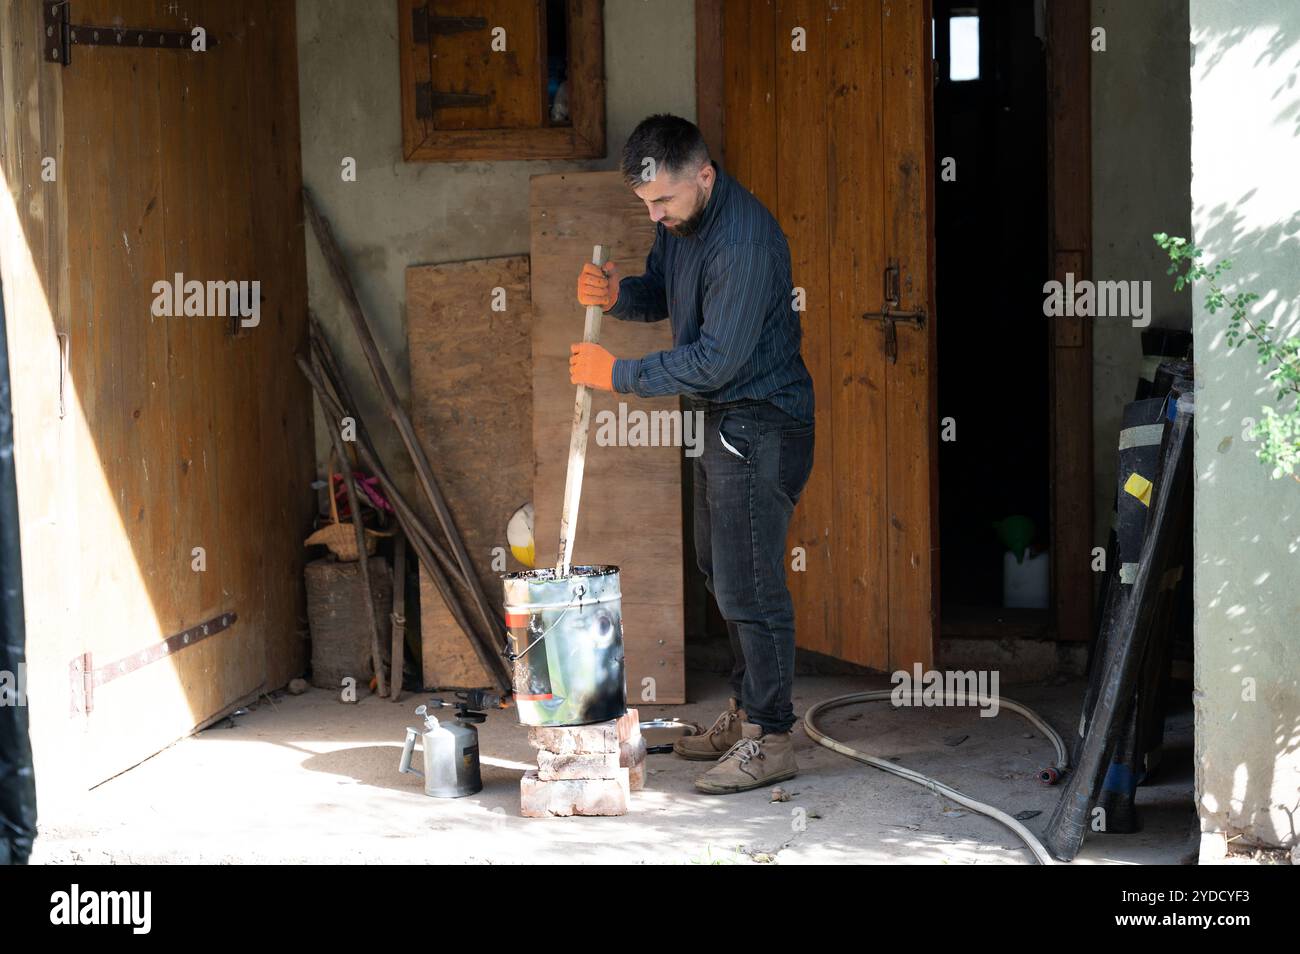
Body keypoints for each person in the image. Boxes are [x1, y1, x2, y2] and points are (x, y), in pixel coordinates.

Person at [568, 114, 816, 794]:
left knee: (752, 584)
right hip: (721, 423)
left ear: (703, 177)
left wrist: (615, 375)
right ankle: (745, 716)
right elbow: (662, 290)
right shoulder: (678, 221)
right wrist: (619, 296)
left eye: (664, 203)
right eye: (646, 205)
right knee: (722, 572)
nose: (655, 216)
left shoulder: (743, 242)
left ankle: (772, 738)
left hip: (760, 424)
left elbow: (714, 361)